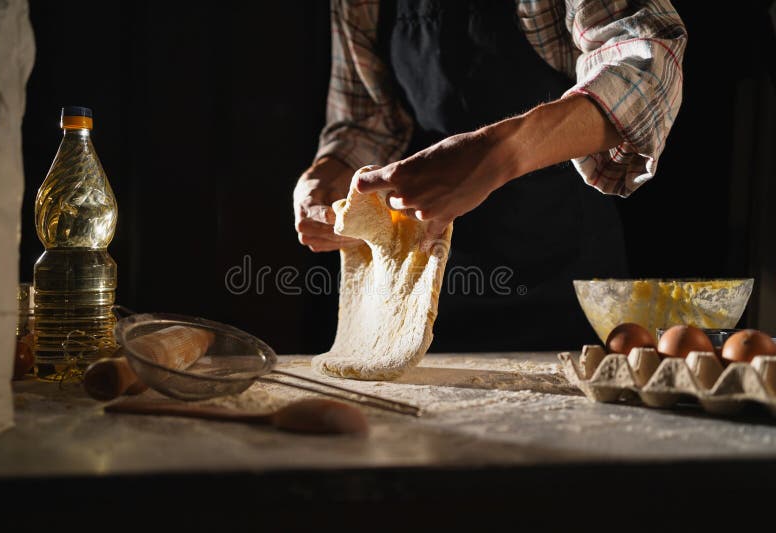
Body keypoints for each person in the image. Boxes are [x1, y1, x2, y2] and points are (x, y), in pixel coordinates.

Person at [293, 0, 687, 351]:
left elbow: (648, 67)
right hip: (426, 286)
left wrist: (497, 154)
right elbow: (367, 120)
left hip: (563, 278)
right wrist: (329, 174)